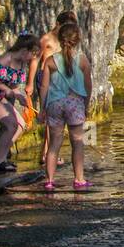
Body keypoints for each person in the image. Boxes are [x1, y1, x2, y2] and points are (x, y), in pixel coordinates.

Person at [41, 21, 93, 191]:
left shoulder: (50, 61)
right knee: (77, 142)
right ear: (77, 40)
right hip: (75, 103)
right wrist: (86, 104)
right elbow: (88, 86)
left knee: (54, 143)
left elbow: (44, 87)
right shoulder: (82, 59)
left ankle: (49, 180)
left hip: (54, 104)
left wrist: (42, 108)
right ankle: (79, 179)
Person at [0, 33, 38, 173]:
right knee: (11, 124)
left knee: (21, 125)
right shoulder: (7, 59)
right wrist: (7, 90)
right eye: (33, 53)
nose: (34, 57)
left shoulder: (22, 63)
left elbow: (14, 86)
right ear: (24, 51)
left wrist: (20, 97)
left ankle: (2, 157)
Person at [29, 11, 76, 168]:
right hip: (45, 77)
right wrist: (29, 84)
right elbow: (35, 61)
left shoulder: (64, 41)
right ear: (57, 24)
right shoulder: (46, 39)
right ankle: (50, 154)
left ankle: (46, 153)